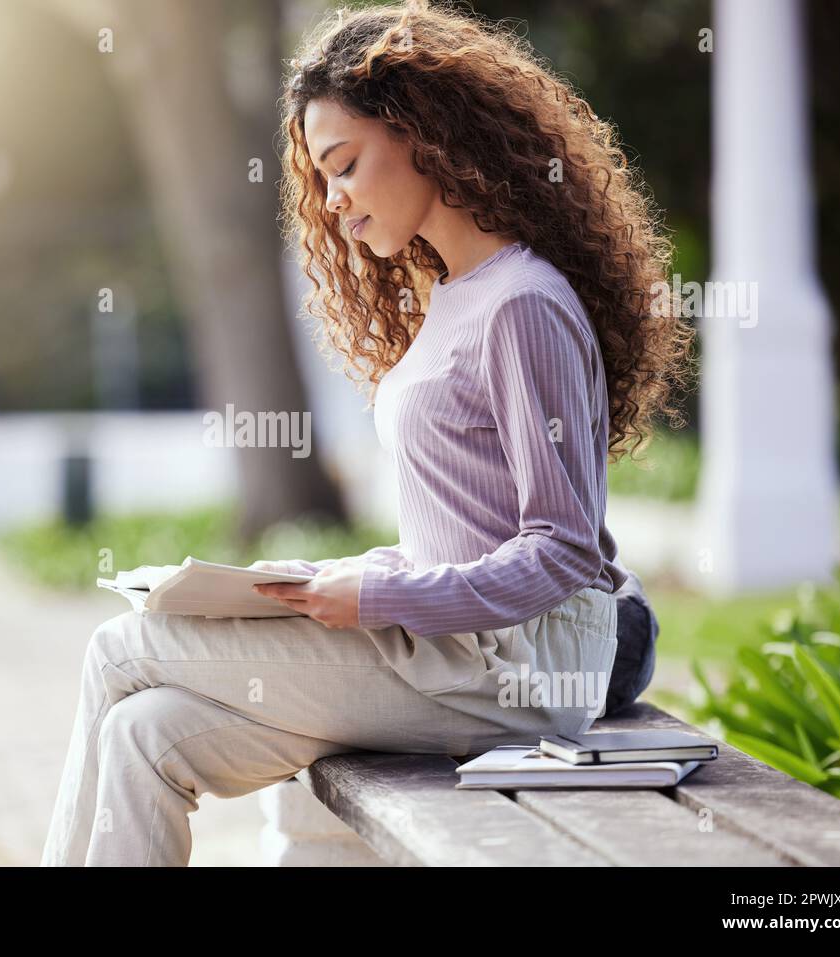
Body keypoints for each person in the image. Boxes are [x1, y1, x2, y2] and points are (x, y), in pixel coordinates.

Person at [40, 0, 693, 867]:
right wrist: (355, 575)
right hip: (450, 657)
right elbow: (462, 530)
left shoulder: (523, 304)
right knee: (143, 730)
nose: (337, 204)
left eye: (344, 167)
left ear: (426, 132)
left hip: (519, 674)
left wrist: (379, 601)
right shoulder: (455, 294)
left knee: (121, 647)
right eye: (325, 181)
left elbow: (564, 551)